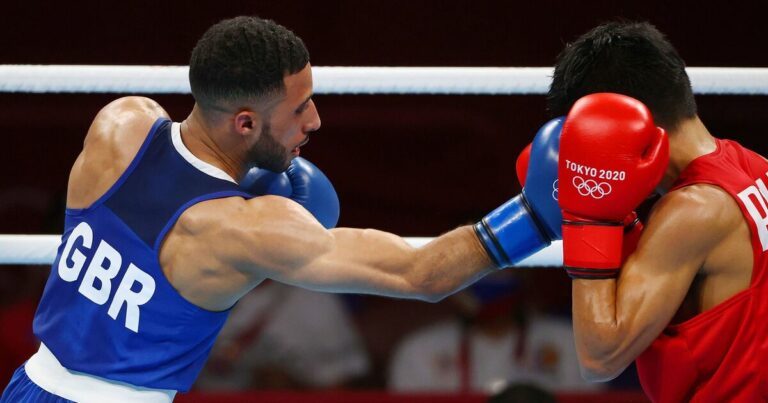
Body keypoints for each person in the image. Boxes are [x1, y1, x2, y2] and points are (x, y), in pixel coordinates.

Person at [1, 16, 565, 402]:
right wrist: (538, 215)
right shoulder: (242, 229)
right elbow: (419, 273)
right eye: (299, 109)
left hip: (27, 384)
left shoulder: (118, 124)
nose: (314, 120)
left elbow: (163, 190)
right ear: (244, 122)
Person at [545, 21, 768, 402]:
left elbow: (600, 357)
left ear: (622, 121)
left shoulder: (691, 210)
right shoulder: (756, 166)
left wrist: (589, 214)